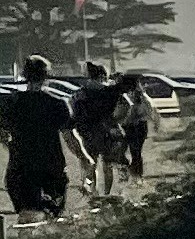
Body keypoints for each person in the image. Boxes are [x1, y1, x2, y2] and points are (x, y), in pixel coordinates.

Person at [2, 58, 79, 225]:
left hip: (20, 169)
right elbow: (70, 137)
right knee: (52, 220)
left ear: (24, 75)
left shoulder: (11, 103)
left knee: (28, 219)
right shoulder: (57, 104)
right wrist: (86, 158)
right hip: (51, 169)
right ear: (46, 77)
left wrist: (10, 144)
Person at [69, 63, 126, 199]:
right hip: (108, 132)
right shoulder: (110, 92)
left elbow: (73, 110)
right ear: (102, 76)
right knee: (108, 165)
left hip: (87, 132)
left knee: (91, 165)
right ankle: (107, 192)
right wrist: (117, 120)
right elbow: (125, 105)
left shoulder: (80, 93)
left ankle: (91, 190)